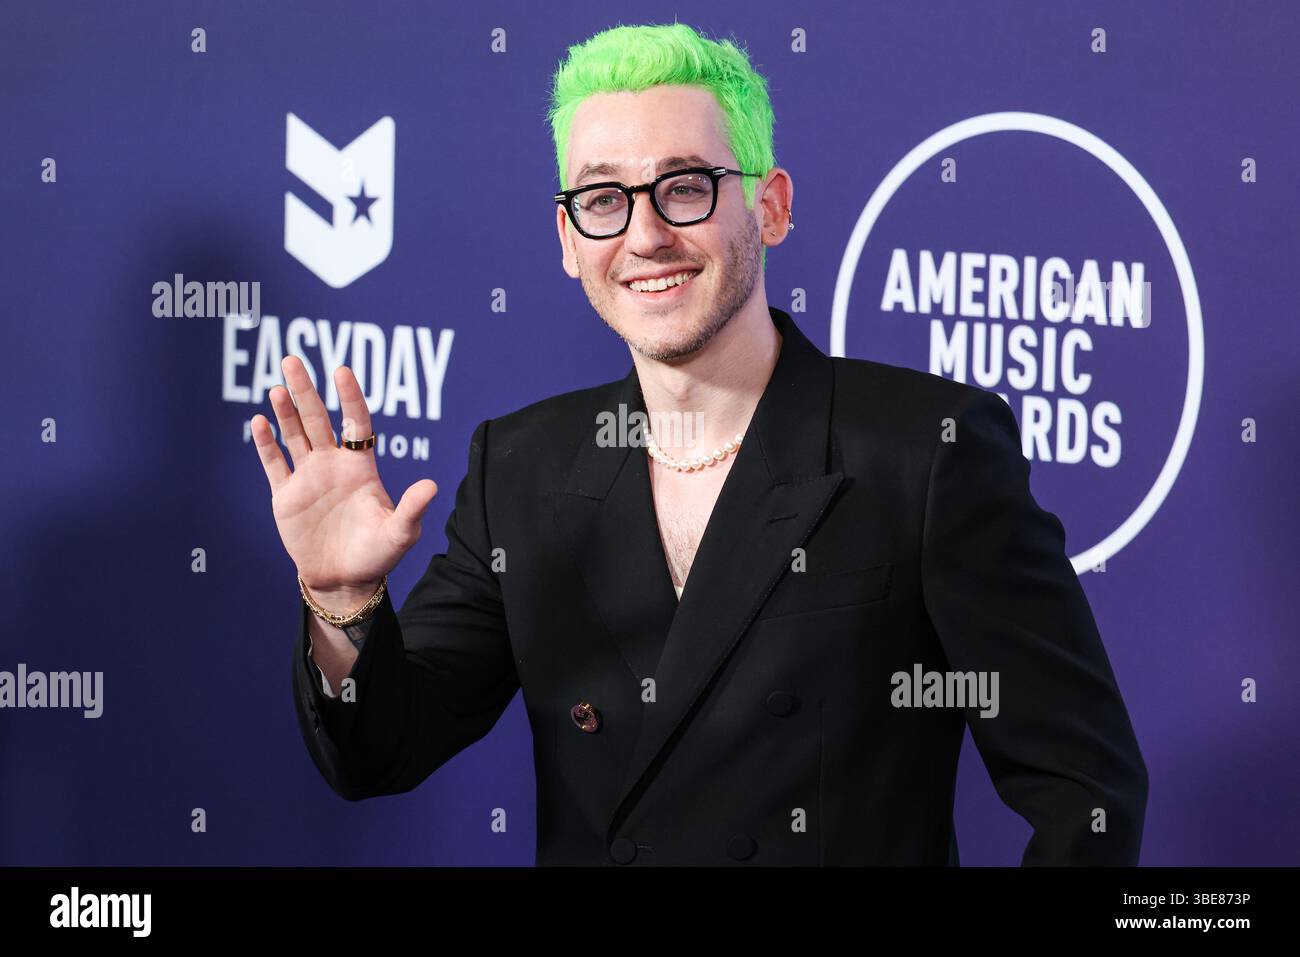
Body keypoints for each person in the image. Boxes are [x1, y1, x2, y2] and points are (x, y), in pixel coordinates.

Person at [251, 22, 1147, 865]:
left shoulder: (927, 450)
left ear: (771, 207)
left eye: (684, 187)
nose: (644, 235)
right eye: (603, 198)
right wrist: (343, 599)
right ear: (569, 240)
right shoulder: (517, 468)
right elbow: (381, 753)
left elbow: (1087, 791)